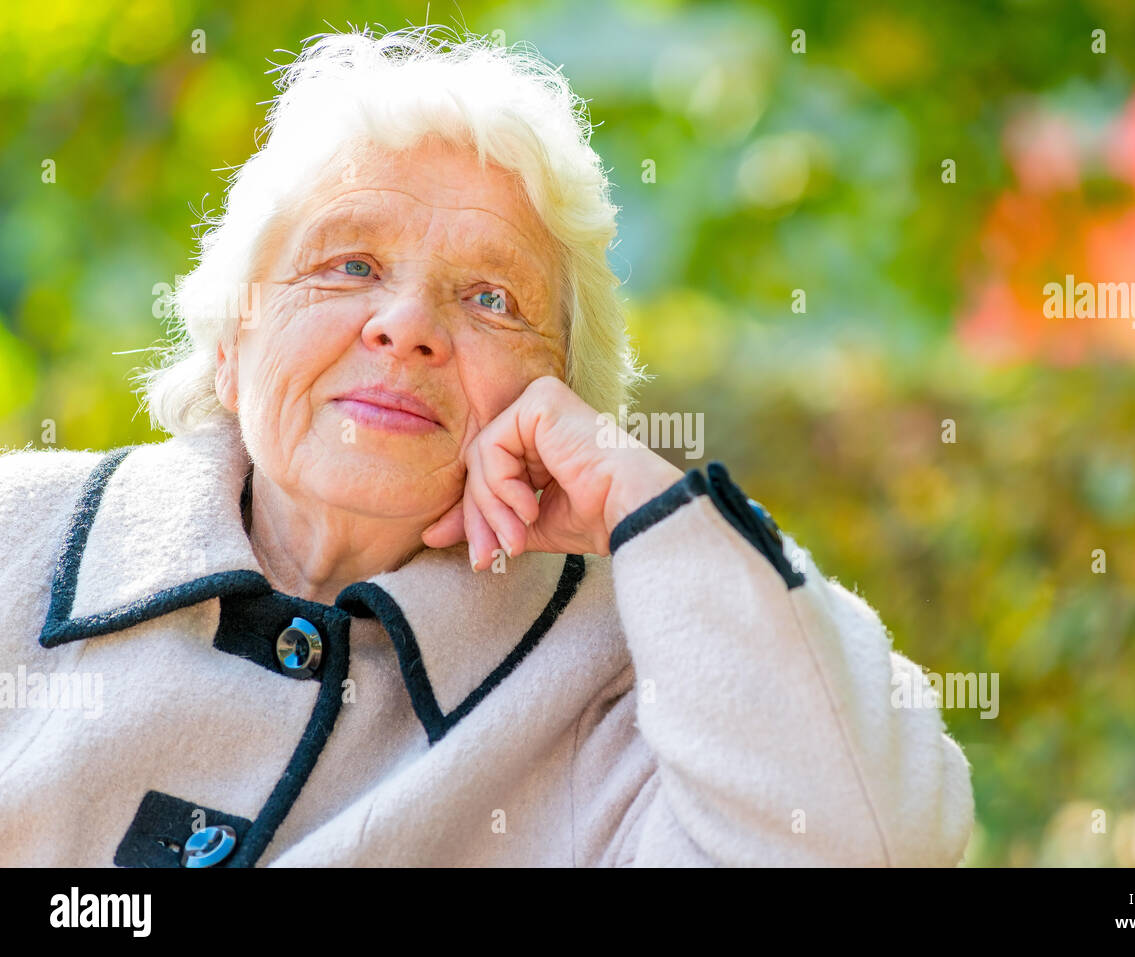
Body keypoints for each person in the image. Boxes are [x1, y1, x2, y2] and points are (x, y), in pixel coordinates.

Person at [0, 26, 974, 866]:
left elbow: (866, 846)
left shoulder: (632, 677)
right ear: (231, 341)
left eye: (490, 299)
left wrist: (649, 506)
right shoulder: (20, 538)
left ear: (562, 394)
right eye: (350, 263)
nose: (407, 325)